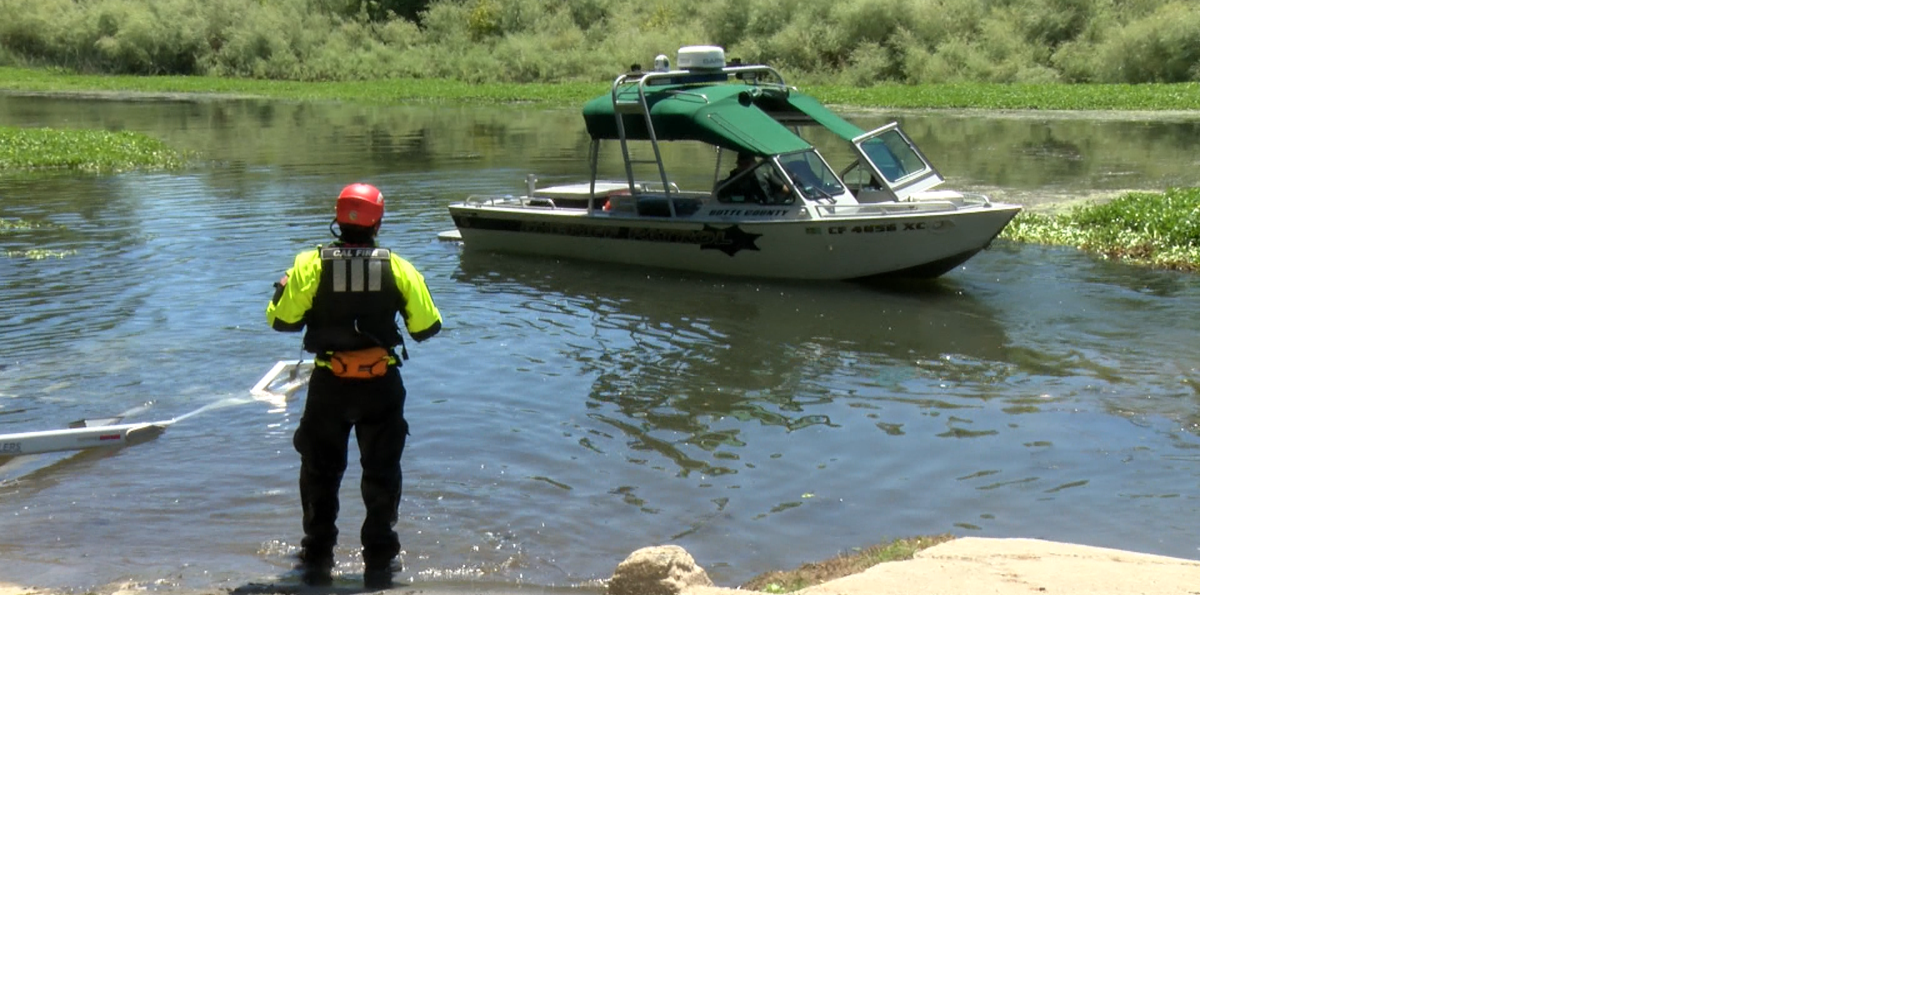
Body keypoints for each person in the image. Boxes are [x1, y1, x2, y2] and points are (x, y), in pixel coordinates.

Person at [265, 182, 442, 587]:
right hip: (380, 385)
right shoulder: (398, 267)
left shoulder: (309, 264)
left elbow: (281, 321)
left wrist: (282, 286)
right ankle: (380, 563)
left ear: (337, 218)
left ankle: (316, 557)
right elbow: (427, 327)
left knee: (319, 471)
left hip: (329, 385)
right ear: (378, 221)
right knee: (382, 471)